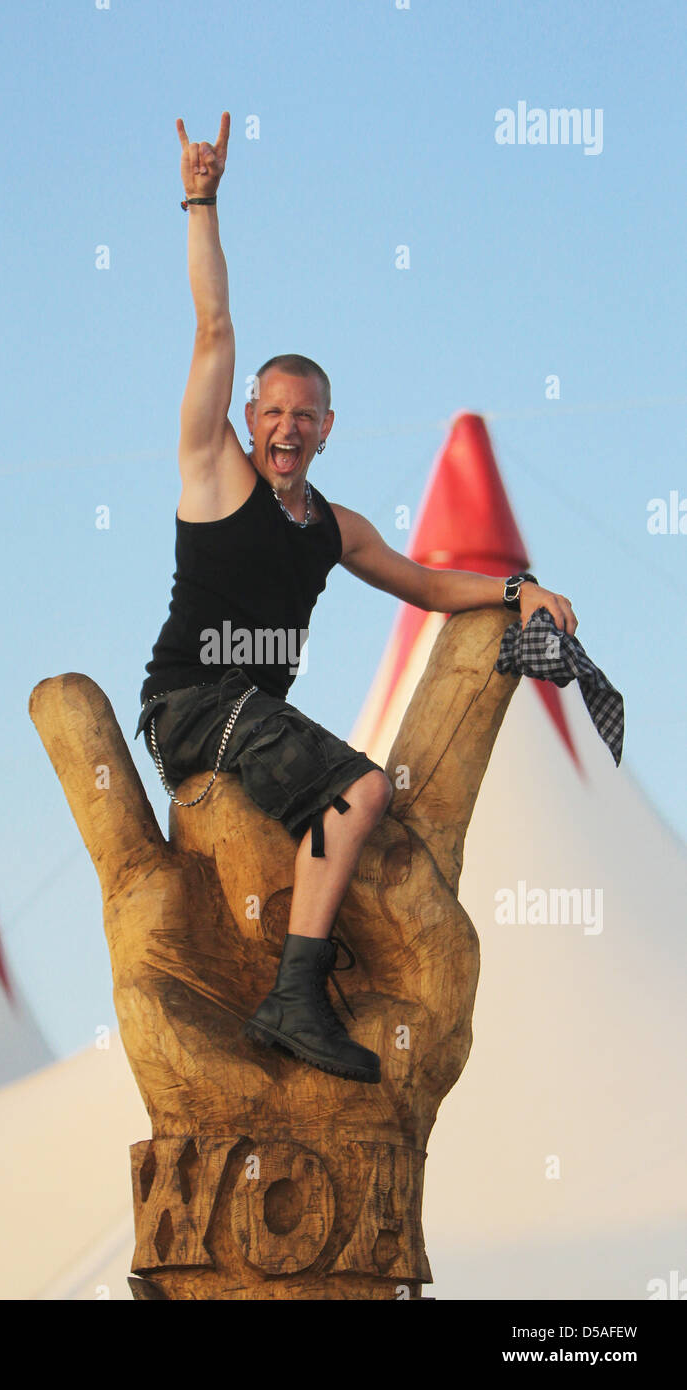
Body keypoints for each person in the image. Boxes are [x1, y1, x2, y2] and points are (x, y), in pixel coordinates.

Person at [135, 111, 577, 1086]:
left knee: (357, 804)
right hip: (192, 708)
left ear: (327, 428)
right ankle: (293, 997)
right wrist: (200, 202)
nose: (285, 428)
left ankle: (297, 976)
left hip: (254, 720)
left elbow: (423, 582)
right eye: (271, 412)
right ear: (247, 418)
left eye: (304, 416)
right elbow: (213, 327)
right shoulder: (215, 472)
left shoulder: (332, 527)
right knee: (361, 786)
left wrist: (515, 587)